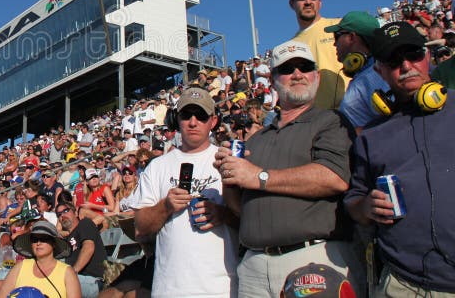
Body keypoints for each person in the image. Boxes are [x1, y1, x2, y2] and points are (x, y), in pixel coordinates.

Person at [215, 39, 362, 298]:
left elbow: (335, 177)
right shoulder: (256, 139)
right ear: (272, 81)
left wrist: (258, 176)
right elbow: (240, 209)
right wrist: (228, 175)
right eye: (287, 69)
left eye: (304, 67)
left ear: (316, 76)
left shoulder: (330, 121)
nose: (297, 74)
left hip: (314, 258)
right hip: (254, 265)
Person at [344, 21, 455, 295]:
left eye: (413, 55)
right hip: (403, 284)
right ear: (380, 70)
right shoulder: (371, 134)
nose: (406, 66)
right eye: (393, 60)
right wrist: (365, 207)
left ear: (427, 56)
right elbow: (354, 201)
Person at [134, 87, 239, 298]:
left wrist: (222, 214)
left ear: (213, 121)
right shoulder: (157, 166)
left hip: (220, 289)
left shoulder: (228, 161)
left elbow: (249, 221)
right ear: (176, 119)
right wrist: (165, 207)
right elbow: (141, 227)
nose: (193, 122)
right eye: (186, 115)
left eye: (200, 116)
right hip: (169, 289)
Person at [324, 10, 391, 131]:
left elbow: (393, 124)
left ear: (351, 37)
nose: (334, 44)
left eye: (336, 36)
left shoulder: (375, 75)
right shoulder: (367, 73)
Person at [288, 0, 349, 108]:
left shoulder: (340, 25)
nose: (308, 1)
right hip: (321, 121)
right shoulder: (290, 48)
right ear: (291, 3)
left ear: (320, 2)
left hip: (356, 111)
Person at [0, 220, 80, 298]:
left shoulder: (67, 272)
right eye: (34, 239)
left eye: (44, 238)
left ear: (54, 243)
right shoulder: (20, 267)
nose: (38, 243)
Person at [56, 201, 106, 298]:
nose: (63, 215)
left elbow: (88, 248)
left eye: (66, 211)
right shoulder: (66, 240)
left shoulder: (84, 224)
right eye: (59, 214)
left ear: (75, 213)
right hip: (78, 280)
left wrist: (72, 273)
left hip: (94, 280)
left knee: (58, 283)